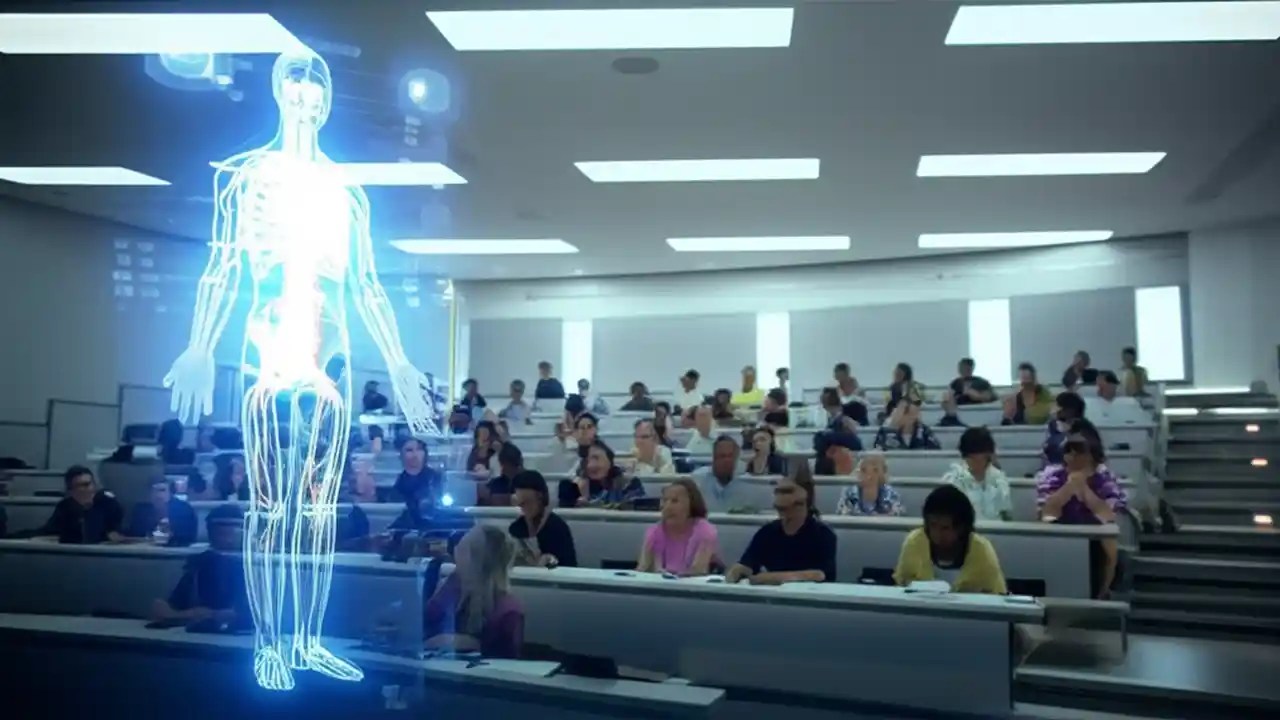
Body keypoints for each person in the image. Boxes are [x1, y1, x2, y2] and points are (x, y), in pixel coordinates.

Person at [1036, 426, 1127, 599]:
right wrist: (1069, 487)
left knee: (1108, 540)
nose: (1073, 457)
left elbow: (1108, 514)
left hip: (1095, 537)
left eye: (1079, 452)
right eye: (1069, 452)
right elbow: (1046, 511)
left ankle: (1101, 595)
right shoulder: (1052, 475)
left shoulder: (1105, 478)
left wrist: (1084, 489)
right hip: (1060, 532)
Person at [425, 525, 524, 658]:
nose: (456, 549)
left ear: (476, 560)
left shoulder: (508, 611)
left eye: (462, 548)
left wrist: (474, 644)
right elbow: (425, 624)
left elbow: (508, 661)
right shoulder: (452, 585)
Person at [725, 467, 836, 584]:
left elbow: (820, 575)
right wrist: (737, 571)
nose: (780, 498)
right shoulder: (766, 533)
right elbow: (747, 565)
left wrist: (767, 578)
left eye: (787, 491)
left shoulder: (823, 535)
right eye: (778, 492)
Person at [893, 485, 1007, 594]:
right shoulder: (914, 542)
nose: (937, 534)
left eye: (945, 528)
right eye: (933, 525)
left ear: (961, 528)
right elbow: (900, 587)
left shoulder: (982, 551)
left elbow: (997, 596)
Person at [151, 504, 248, 624]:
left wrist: (184, 615)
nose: (226, 537)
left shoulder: (255, 568)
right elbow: (163, 608)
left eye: (231, 530)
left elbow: (237, 615)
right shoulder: (199, 564)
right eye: (220, 530)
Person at [636, 478, 720, 576]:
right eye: (665, 500)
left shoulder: (705, 531)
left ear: (691, 505)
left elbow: (698, 571)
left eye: (675, 501)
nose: (667, 507)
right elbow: (642, 568)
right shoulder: (653, 532)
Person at [33, 466, 125, 544]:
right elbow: (49, 531)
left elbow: (120, 531)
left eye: (88, 484)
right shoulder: (65, 507)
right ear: (70, 491)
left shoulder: (109, 504)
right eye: (80, 486)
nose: (87, 489)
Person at [508, 471, 577, 567]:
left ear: (540, 498)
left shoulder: (557, 529)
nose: (523, 508)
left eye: (526, 502)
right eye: (520, 504)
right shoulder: (516, 528)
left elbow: (569, 567)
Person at [945, 427, 1012, 521]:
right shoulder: (952, 481)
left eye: (983, 458)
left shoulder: (999, 478)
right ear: (965, 456)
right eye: (973, 458)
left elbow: (1006, 515)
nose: (978, 463)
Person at [558, 440, 644, 507]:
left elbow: (631, 510)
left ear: (610, 461)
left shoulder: (629, 483)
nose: (590, 465)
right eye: (587, 461)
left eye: (596, 458)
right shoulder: (578, 487)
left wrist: (590, 506)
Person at [128, 477, 199, 546]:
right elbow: (134, 534)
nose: (158, 495)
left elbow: (187, 537)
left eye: (162, 490)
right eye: (153, 491)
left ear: (170, 493)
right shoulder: (141, 511)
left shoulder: (184, 509)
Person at [692, 435, 754, 513]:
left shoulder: (747, 483)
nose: (726, 461)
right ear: (714, 458)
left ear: (736, 458)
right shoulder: (697, 480)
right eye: (722, 456)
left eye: (730, 456)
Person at [837, 452, 904, 516]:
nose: (869, 476)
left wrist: (881, 518)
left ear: (884, 473)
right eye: (864, 470)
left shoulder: (890, 493)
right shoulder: (849, 492)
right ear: (857, 472)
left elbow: (898, 514)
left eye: (875, 470)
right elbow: (842, 513)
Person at [393, 436, 443, 510]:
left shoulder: (436, 478)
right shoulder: (399, 482)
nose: (415, 454)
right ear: (401, 454)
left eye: (419, 449)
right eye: (409, 450)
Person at [874, 401, 941, 451]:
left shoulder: (925, 433)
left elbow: (936, 455)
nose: (896, 415)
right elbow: (877, 455)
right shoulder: (885, 432)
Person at [1042, 391, 1086, 467]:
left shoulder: (1084, 430)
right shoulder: (1052, 426)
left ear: (1069, 410)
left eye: (1057, 406)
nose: (1054, 410)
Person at [480, 442, 523, 507]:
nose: (503, 468)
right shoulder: (495, 484)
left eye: (505, 464)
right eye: (502, 464)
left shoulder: (530, 481)